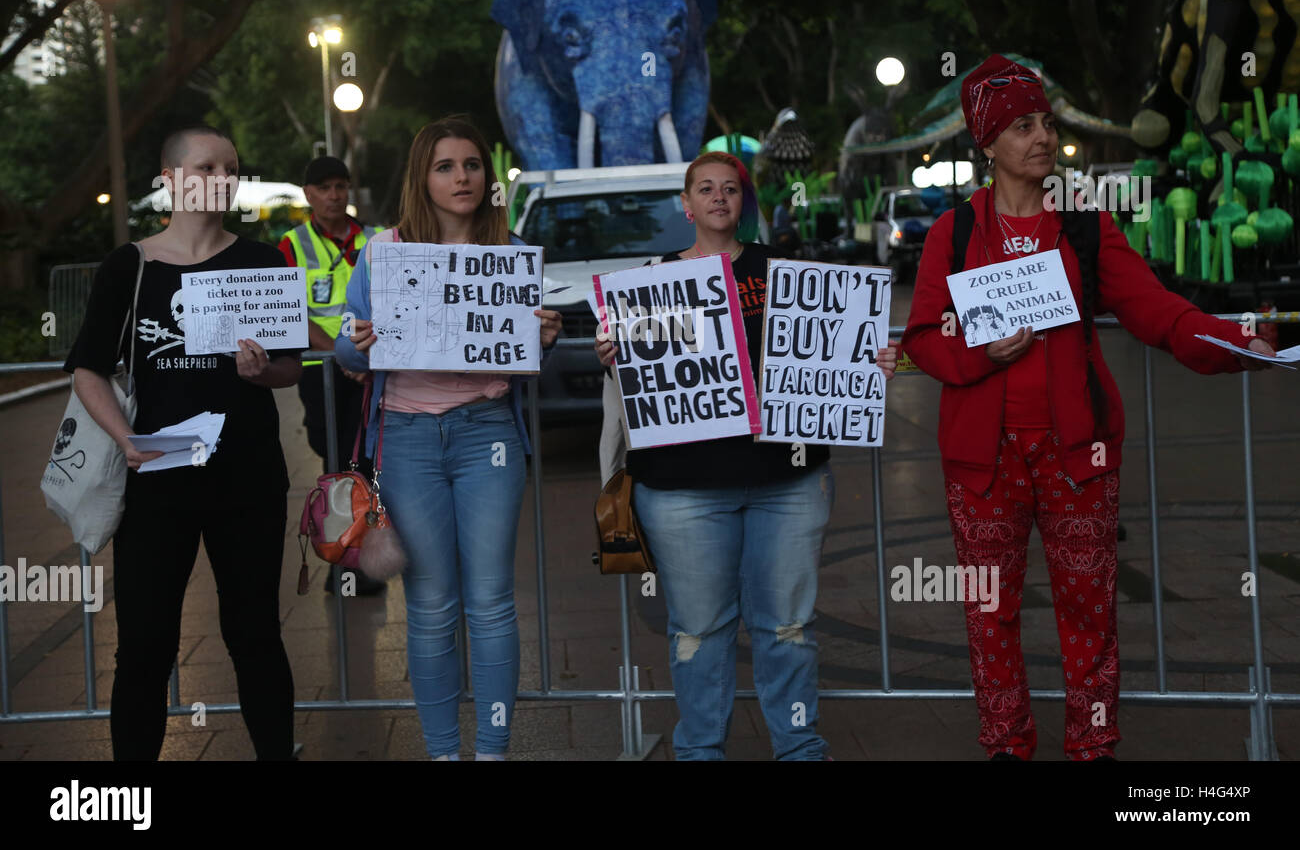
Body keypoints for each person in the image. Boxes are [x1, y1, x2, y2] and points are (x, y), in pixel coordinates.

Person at [902, 54, 1277, 761]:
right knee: (988, 615)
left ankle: (1093, 743)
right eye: (1021, 126)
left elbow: (1158, 312)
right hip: (982, 465)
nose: (1041, 137)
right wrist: (984, 355)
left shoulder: (1082, 227)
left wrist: (1239, 341)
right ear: (986, 143)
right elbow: (923, 338)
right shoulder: (951, 236)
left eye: (1045, 121)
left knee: (1090, 614)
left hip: (1080, 456)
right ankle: (1007, 744)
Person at [595, 151, 899, 760]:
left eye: (729, 188)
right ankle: (701, 750)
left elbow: (831, 346)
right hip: (681, 488)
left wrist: (873, 358)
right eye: (704, 189)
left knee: (788, 626)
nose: (717, 197)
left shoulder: (789, 273)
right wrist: (615, 356)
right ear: (685, 205)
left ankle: (799, 748)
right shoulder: (649, 281)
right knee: (698, 630)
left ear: (743, 202)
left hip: (785, 480)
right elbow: (634, 380)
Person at [64, 125, 303, 760]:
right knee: (144, 642)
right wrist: (128, 439)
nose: (221, 179)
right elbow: (88, 367)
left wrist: (263, 370)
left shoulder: (259, 262)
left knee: (254, 634)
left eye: (231, 167)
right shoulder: (130, 266)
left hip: (247, 478)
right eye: (205, 167)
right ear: (169, 179)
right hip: (157, 481)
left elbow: (290, 366)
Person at [335, 115, 562, 760]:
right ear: (422, 178)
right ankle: (442, 753)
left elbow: (528, 354)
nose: (462, 176)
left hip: (487, 433)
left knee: (490, 600)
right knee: (431, 603)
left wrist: (545, 339)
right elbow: (347, 361)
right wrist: (358, 344)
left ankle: (490, 750)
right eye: (445, 166)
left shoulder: (512, 254)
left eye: (470, 165)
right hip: (405, 438)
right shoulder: (384, 252)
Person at [279, 156, 383, 595]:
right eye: (324, 188)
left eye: (341, 186)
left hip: (368, 370)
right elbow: (291, 310)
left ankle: (365, 560)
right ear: (308, 194)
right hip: (321, 371)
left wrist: (360, 359)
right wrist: (340, 356)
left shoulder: (377, 239)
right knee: (334, 460)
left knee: (366, 463)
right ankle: (341, 560)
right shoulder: (292, 244)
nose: (334, 196)